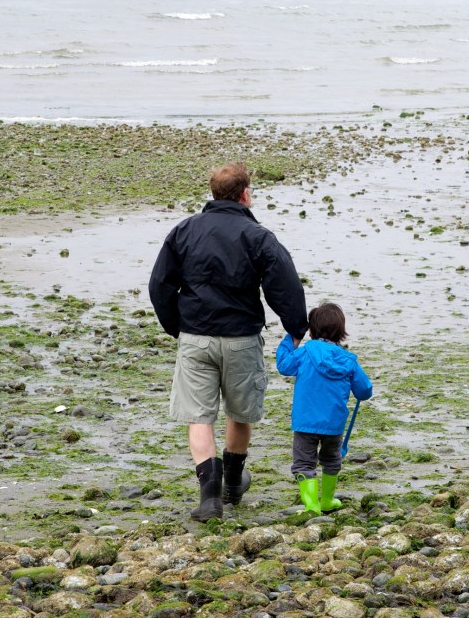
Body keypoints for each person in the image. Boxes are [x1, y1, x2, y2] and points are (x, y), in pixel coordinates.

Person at [149, 162, 308, 521]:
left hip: (196, 337)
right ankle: (233, 483)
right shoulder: (258, 236)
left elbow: (160, 284)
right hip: (241, 338)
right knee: (239, 412)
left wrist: (177, 326)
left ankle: (210, 498)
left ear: (213, 193)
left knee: (198, 416)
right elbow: (284, 284)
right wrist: (296, 328)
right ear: (245, 194)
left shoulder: (185, 230)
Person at [276, 302, 372, 515]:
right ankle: (327, 500)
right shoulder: (348, 360)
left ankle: (312, 506)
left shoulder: (306, 352)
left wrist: (290, 338)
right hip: (333, 424)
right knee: (331, 460)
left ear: (311, 330)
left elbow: (284, 365)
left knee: (303, 464)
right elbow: (364, 390)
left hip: (305, 423)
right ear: (341, 332)